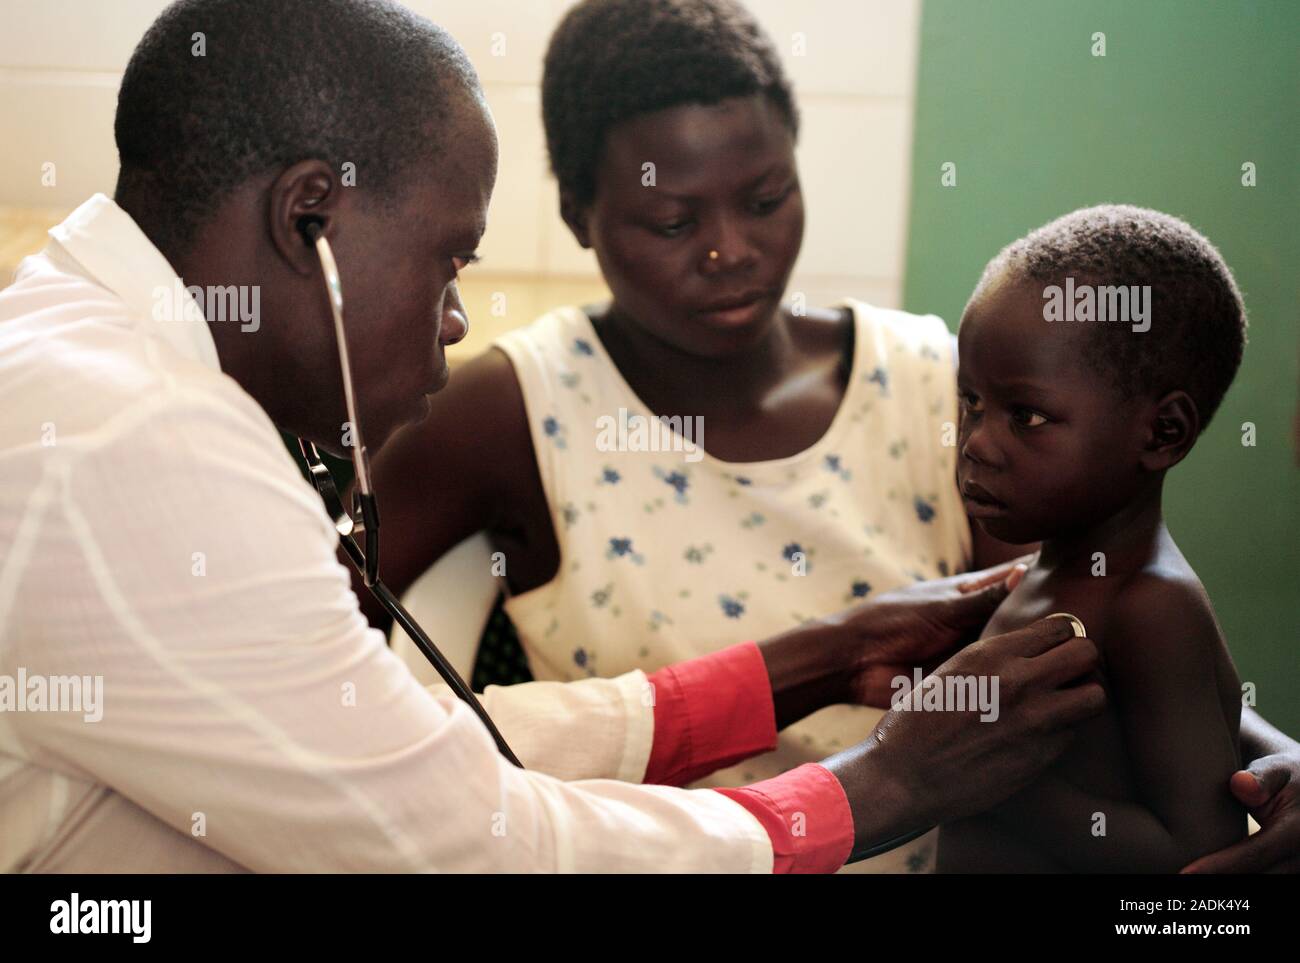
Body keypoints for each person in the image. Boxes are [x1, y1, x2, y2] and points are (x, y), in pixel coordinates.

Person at [0, 0, 1104, 874]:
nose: (454, 316)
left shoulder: (88, 365)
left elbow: (388, 748)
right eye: (449, 259)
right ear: (309, 222)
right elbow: (457, 841)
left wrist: (808, 663)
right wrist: (883, 790)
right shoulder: (139, 434)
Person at [363, 0, 1300, 872]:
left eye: (766, 198)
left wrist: (1271, 758)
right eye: (673, 218)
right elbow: (322, 681)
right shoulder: (509, 409)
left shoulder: (939, 384)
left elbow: (1093, 642)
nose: (732, 249)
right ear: (578, 213)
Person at [937, 205, 1248, 872]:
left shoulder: (1149, 607)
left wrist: (992, 778)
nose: (977, 444)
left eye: (1027, 415)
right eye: (971, 402)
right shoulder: (1042, 576)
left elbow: (1200, 853)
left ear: (1162, 433)